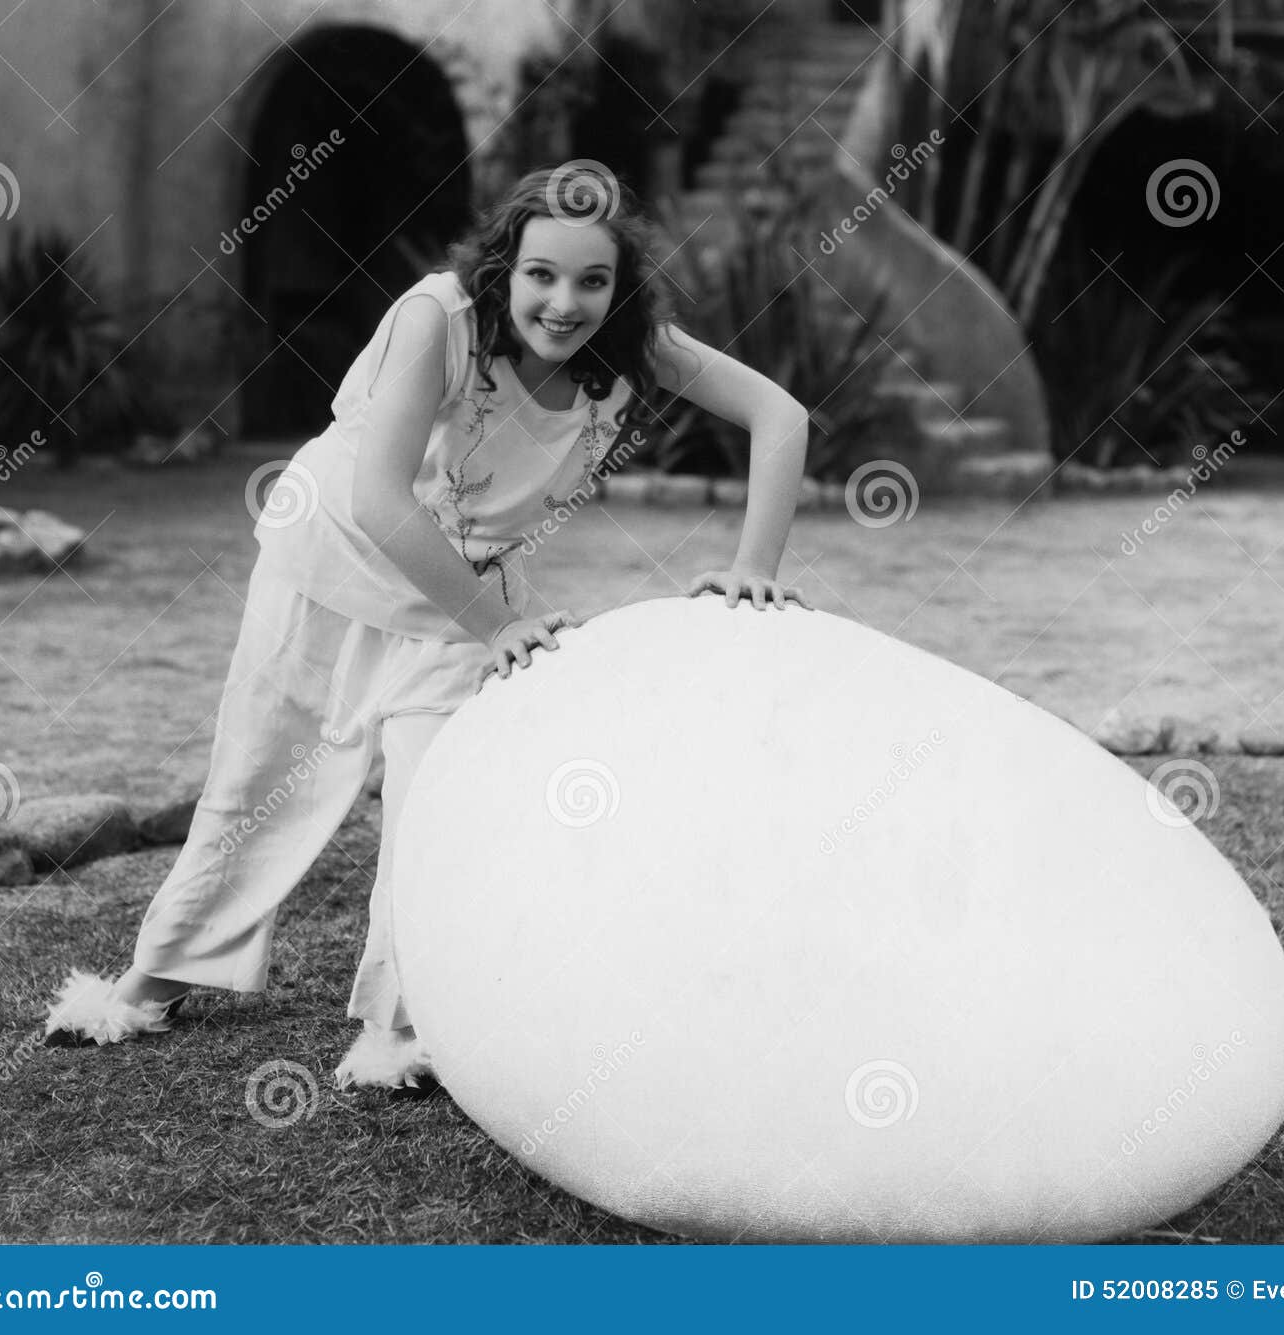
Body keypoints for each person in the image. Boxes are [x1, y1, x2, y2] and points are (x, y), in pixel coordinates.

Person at [42, 164, 814, 1089]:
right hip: (335, 559)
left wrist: (755, 567)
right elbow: (379, 497)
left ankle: (402, 1029)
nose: (564, 302)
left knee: (436, 801)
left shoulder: (634, 342)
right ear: (504, 267)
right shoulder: (437, 319)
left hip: (468, 595)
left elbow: (780, 414)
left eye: (593, 280)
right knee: (264, 774)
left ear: (620, 287)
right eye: (541, 274)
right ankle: (155, 979)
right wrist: (498, 625)